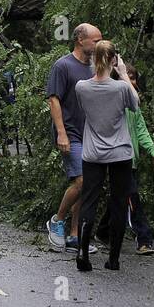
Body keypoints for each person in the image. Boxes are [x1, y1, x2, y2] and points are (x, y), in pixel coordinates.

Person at [73, 40, 141, 271]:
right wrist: (122, 73)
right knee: (119, 203)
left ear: (93, 59)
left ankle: (82, 254)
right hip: (120, 152)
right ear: (113, 60)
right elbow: (136, 104)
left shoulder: (82, 87)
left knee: (89, 200)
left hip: (92, 153)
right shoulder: (121, 88)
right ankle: (113, 259)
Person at [46, 23, 102, 254]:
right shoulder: (63, 66)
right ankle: (57, 220)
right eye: (96, 41)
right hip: (71, 133)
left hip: (92, 134)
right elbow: (53, 100)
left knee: (87, 185)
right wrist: (61, 132)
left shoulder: (95, 67)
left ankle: (74, 235)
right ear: (81, 40)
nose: (99, 44)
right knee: (81, 181)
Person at [96, 61, 154, 253]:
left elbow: (141, 129)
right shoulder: (112, 103)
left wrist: (153, 150)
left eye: (133, 78)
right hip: (115, 158)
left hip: (131, 159)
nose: (131, 82)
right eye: (128, 77)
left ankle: (102, 231)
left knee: (120, 196)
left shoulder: (134, 106)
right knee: (132, 196)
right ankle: (143, 240)